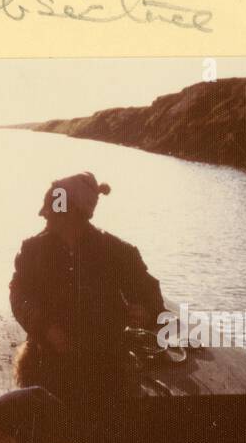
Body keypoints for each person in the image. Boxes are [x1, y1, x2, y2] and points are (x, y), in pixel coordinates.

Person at [9, 172, 166, 403]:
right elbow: (19, 295)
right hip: (47, 363)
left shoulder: (117, 252)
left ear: (74, 211)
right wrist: (45, 327)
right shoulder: (33, 250)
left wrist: (146, 311)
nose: (44, 212)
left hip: (104, 366)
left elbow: (151, 296)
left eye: (52, 206)